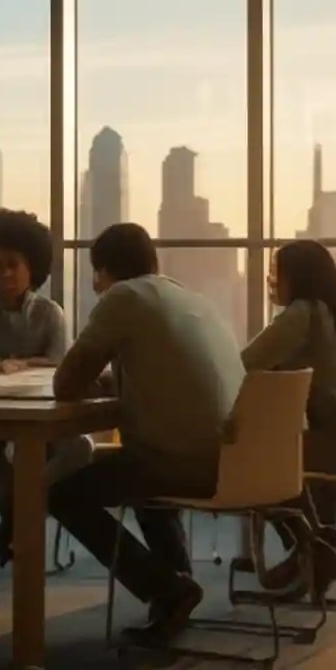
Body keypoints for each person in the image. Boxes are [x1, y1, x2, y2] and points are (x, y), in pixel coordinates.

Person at [50, 223, 246, 643]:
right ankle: (176, 587)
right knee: (140, 472)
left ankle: (167, 589)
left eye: (95, 274)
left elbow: (65, 384)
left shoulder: (123, 297)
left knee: (62, 495)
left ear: (102, 271)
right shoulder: (191, 299)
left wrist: (91, 378)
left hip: (181, 462)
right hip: (235, 459)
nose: (94, 283)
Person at [0, 209, 93, 567]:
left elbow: (60, 361)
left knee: (81, 448)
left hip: (41, 412)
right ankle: (22, 507)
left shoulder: (50, 313)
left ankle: (15, 505)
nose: (4, 274)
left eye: (12, 265)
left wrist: (20, 364)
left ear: (32, 268)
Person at [239, 239, 336, 591]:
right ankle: (321, 546)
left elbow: (243, 363)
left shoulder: (302, 313)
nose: (272, 280)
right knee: (275, 460)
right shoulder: (334, 311)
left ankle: (313, 548)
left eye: (277, 272)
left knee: (254, 465)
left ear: (297, 277)